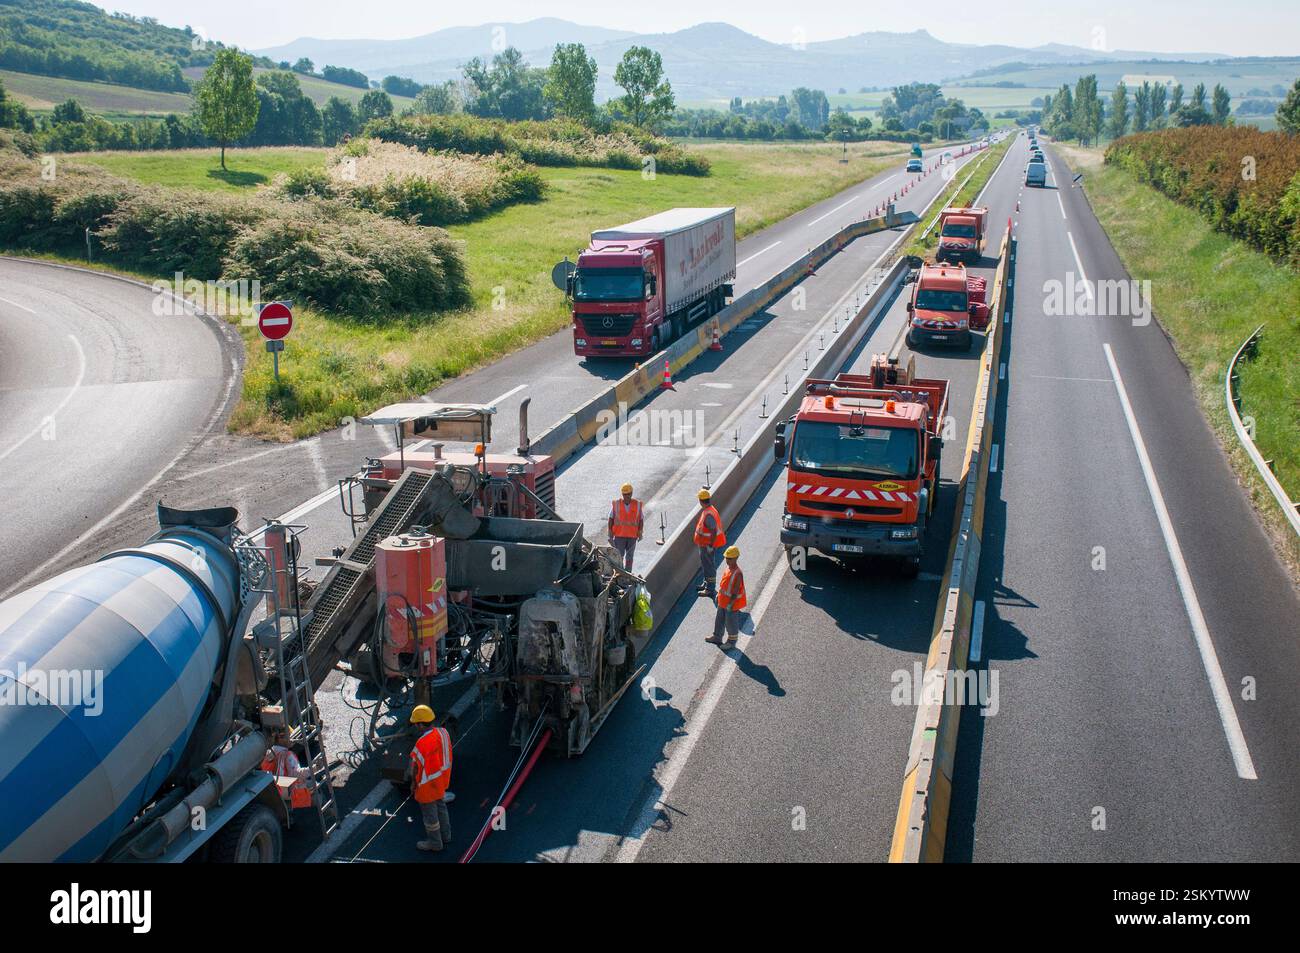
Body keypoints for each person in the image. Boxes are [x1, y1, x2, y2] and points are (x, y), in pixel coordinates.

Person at [407, 705, 452, 852]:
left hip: (426, 786)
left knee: (430, 818)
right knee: (441, 807)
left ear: (420, 725)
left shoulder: (421, 744)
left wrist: (413, 784)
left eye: (416, 724)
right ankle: (446, 836)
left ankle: (435, 843)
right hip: (441, 781)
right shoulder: (443, 732)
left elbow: (414, 768)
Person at [708, 546, 747, 646]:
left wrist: (730, 604)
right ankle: (717, 637)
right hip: (723, 601)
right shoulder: (728, 569)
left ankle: (731, 641)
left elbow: (735, 592)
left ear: (736, 558)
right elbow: (723, 585)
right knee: (719, 620)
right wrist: (719, 595)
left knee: (731, 623)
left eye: (729, 558)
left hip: (731, 604)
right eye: (726, 558)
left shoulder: (737, 573)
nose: (727, 560)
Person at [693, 488, 726, 598]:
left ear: (701, 501)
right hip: (704, 544)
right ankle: (706, 583)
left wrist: (710, 545)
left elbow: (713, 530)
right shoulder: (709, 510)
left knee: (709, 566)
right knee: (705, 564)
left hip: (707, 545)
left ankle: (710, 589)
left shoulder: (708, 514)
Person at [607, 482, 643, 571]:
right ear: (622, 494)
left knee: (629, 557)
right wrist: (610, 532)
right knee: (619, 556)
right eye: (625, 494)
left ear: (631, 494)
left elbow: (641, 519)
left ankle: (628, 574)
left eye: (628, 494)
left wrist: (640, 531)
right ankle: (619, 573)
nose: (626, 496)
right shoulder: (617, 504)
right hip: (619, 536)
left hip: (632, 536)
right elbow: (611, 518)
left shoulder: (637, 504)